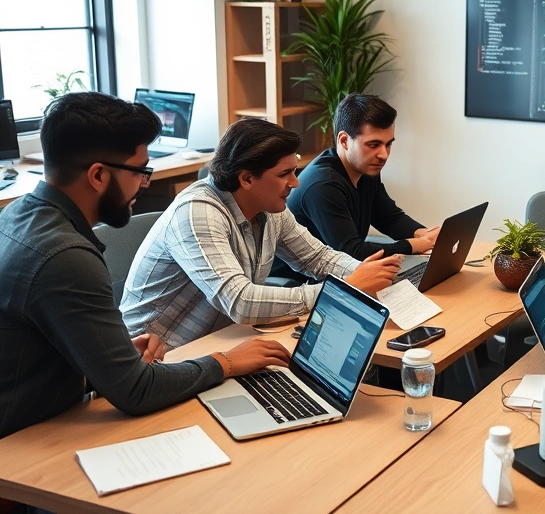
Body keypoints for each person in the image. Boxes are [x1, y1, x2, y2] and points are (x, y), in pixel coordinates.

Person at [0, 93, 290, 439]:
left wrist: (107, 358)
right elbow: (136, 392)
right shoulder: (66, 256)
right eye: (141, 171)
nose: (144, 183)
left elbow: (32, 350)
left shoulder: (17, 215)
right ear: (98, 176)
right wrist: (226, 362)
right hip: (24, 441)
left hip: (44, 411)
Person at [120, 118, 401, 359]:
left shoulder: (269, 206)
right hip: (153, 359)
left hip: (216, 345)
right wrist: (342, 291)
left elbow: (317, 258)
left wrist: (373, 277)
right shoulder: (198, 213)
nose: (295, 183)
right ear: (246, 179)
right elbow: (240, 302)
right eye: (284, 174)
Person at [283, 93, 437, 261]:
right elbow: (351, 253)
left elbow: (389, 218)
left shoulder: (365, 169)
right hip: (301, 282)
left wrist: (426, 235)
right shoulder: (322, 185)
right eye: (373, 145)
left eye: (388, 144)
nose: (384, 155)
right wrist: (413, 246)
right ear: (344, 141)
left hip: (342, 274)